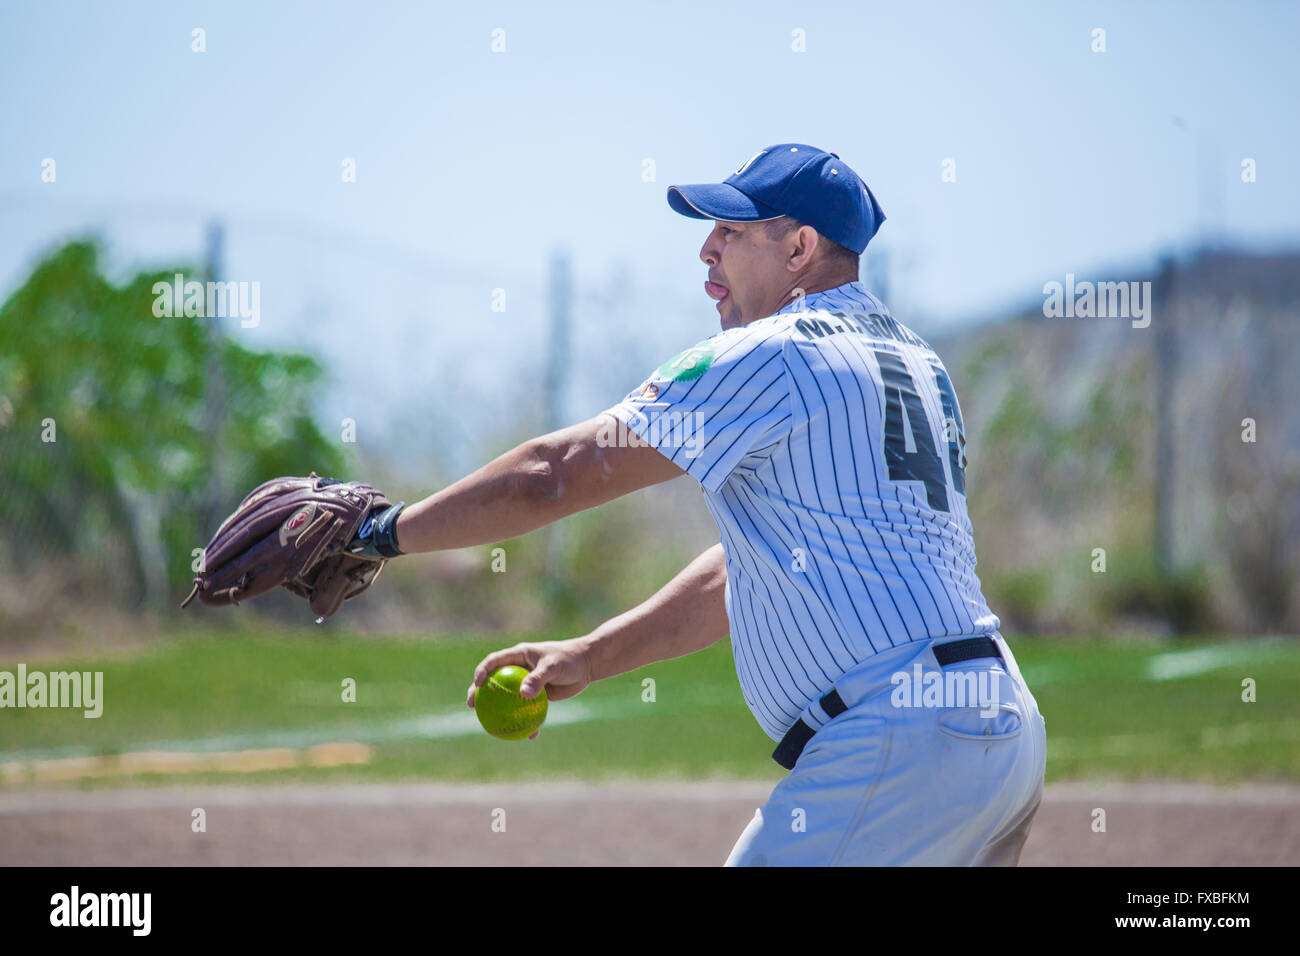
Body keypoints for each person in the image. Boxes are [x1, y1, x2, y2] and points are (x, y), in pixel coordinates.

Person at [352, 143, 1047, 866]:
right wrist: (592, 655)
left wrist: (378, 534)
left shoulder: (780, 349)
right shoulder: (915, 360)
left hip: (898, 741)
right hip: (1001, 730)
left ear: (802, 247)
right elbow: (754, 567)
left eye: (734, 231)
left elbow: (554, 474)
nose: (707, 248)